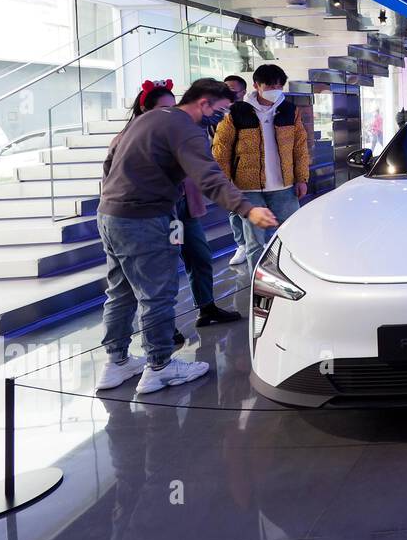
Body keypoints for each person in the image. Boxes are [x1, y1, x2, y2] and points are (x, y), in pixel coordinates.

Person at [95, 79, 276, 395]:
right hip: (143, 219)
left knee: (121, 291)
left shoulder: (149, 118)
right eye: (220, 111)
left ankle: (117, 362)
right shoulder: (185, 129)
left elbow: (110, 163)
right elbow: (209, 178)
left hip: (111, 214)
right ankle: (160, 366)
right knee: (158, 294)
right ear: (204, 103)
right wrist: (247, 209)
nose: (221, 118)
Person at [127, 81, 240, 347]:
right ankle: (161, 328)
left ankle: (207, 306)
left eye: (172, 106)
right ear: (147, 109)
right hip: (158, 211)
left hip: (185, 207)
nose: (170, 112)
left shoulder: (186, 128)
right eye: (163, 108)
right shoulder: (137, 136)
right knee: (162, 272)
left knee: (200, 255)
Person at [212, 64, 309, 268]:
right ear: (256, 85)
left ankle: (294, 277)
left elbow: (300, 146)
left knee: (294, 236)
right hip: (248, 188)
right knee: (254, 243)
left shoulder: (290, 110)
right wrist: (225, 183)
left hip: (285, 186)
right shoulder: (236, 112)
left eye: (279, 84)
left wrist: (302, 178)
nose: (275, 88)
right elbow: (221, 149)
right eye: (270, 84)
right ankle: (257, 289)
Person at [221, 75, 251, 265]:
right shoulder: (216, 112)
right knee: (233, 209)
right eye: (225, 88)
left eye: (233, 89)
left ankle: (255, 243)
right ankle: (242, 244)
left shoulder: (250, 111)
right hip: (226, 168)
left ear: (243, 92)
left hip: (247, 168)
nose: (228, 92)